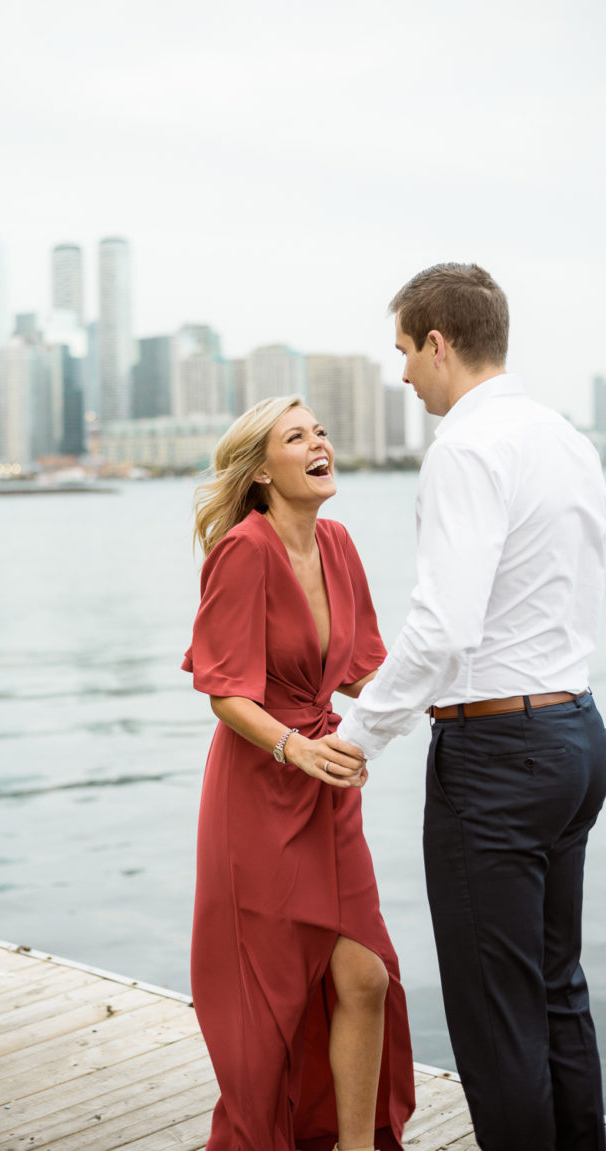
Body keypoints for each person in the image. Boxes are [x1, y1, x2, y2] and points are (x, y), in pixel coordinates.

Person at [337, 262, 606, 1151]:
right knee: (555, 986)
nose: (404, 372)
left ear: (440, 343)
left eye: (406, 350)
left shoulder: (465, 448)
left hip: (498, 757)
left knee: (496, 1020)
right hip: (575, 734)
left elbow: (445, 628)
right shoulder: (567, 439)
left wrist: (360, 732)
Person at [182, 396, 416, 1151]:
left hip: (328, 792)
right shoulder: (243, 551)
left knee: (365, 976)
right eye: (296, 436)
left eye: (320, 430)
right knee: (270, 1007)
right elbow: (226, 691)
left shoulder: (340, 543)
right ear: (260, 472)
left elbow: (362, 672)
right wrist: (296, 748)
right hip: (259, 796)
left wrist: (447, 691)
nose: (320, 442)